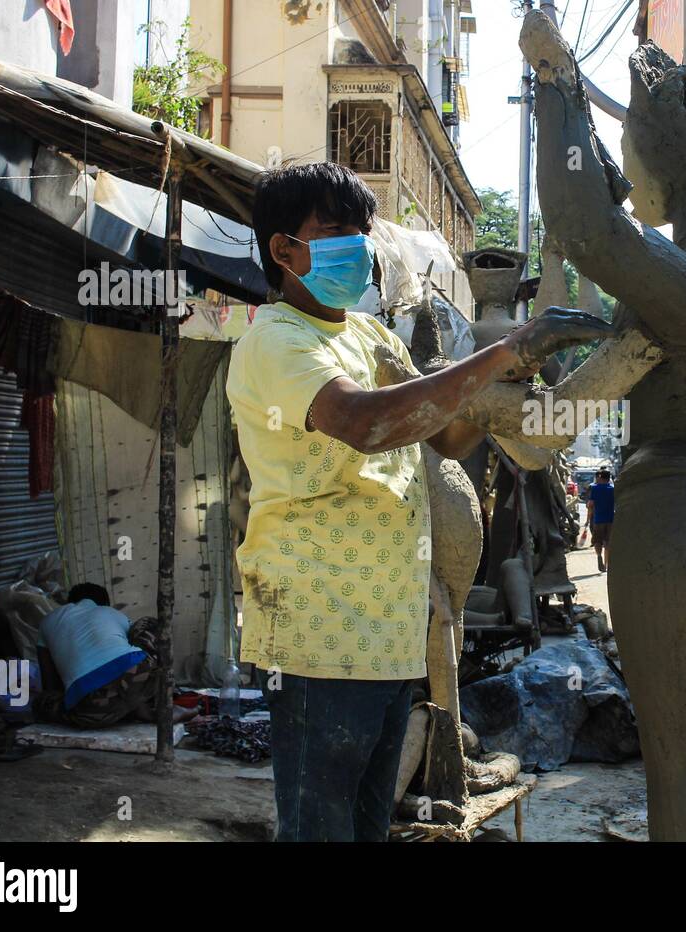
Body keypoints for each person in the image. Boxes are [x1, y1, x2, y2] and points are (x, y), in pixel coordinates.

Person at [228, 162, 606, 842]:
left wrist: (513, 384)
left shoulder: (369, 336)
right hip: (319, 634)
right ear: (284, 250)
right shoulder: (274, 340)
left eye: (362, 232)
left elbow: (446, 435)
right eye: (336, 232)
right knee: (319, 829)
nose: (360, 247)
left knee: (367, 827)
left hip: (389, 634)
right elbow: (368, 423)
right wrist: (501, 355)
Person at [33, 583, 161, 729]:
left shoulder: (48, 620)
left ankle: (123, 708)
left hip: (93, 710)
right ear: (105, 603)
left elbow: (49, 683)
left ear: (70, 602)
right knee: (146, 625)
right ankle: (149, 704)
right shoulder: (111, 612)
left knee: (41, 702)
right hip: (143, 676)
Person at [586, 468, 615, 572]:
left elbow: (590, 504)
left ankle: (599, 556)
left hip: (598, 519)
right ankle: (606, 565)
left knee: (597, 541)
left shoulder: (595, 488)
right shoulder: (613, 489)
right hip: (611, 519)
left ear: (600, 477)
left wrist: (588, 518)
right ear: (609, 478)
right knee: (608, 542)